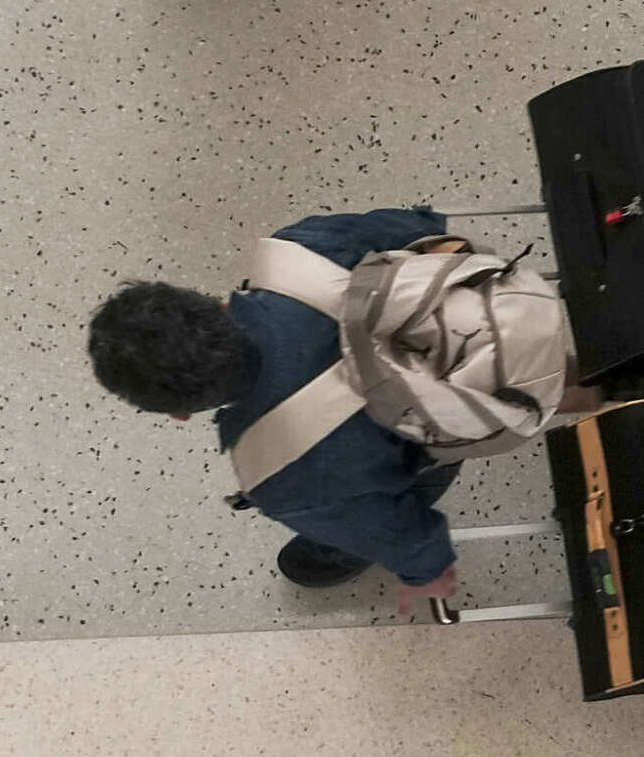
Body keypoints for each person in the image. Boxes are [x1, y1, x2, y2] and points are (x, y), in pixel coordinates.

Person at [85, 208, 471, 616]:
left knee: (316, 554)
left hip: (450, 421)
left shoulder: (284, 480)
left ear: (179, 414)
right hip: (476, 311)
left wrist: (428, 572)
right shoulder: (299, 248)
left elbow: (400, 534)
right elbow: (420, 228)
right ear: (216, 305)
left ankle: (338, 552)